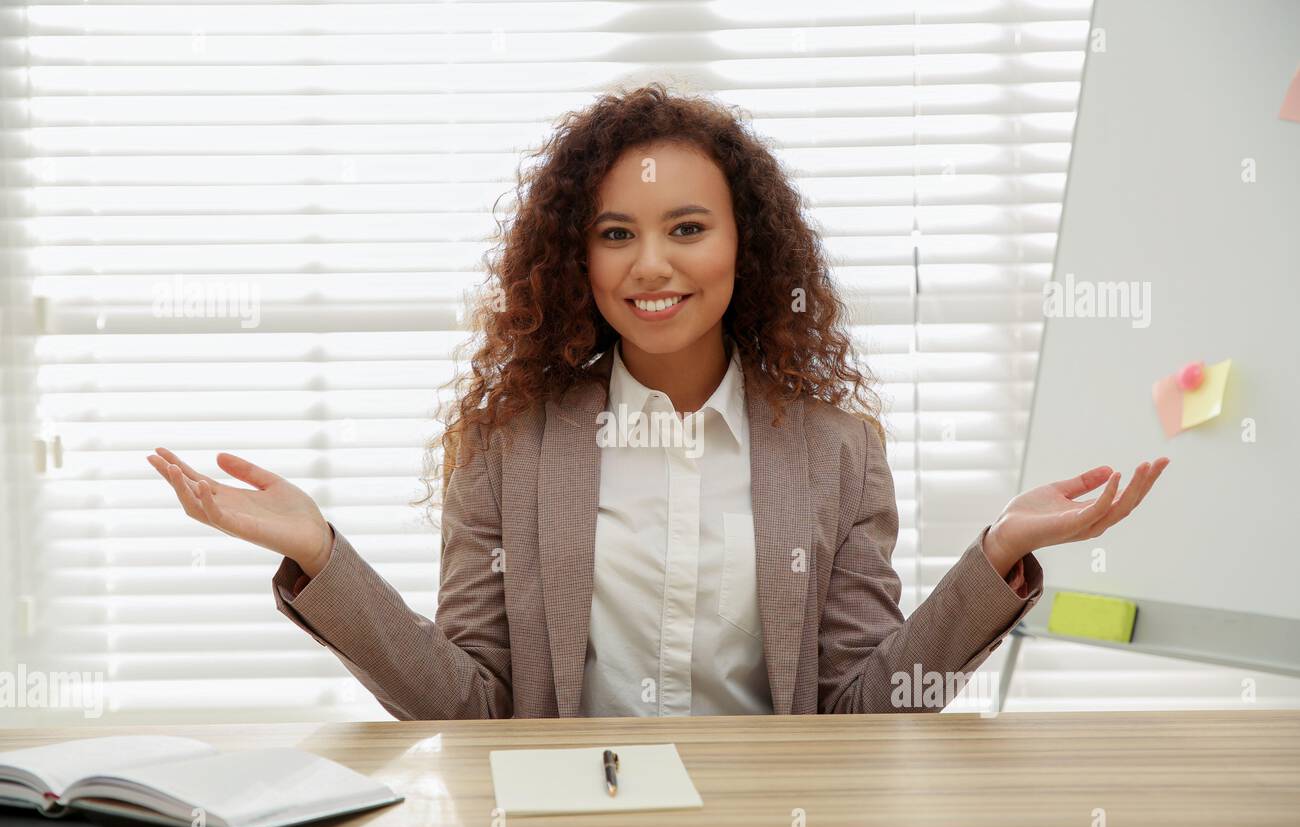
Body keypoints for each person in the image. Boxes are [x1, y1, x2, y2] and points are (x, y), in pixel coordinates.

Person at [146, 83, 1168, 721]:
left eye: (686, 227)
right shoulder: (509, 445)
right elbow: (469, 705)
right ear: (573, 255)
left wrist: (995, 555)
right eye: (614, 233)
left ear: (744, 246)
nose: (651, 265)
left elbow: (865, 703)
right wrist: (324, 554)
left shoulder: (834, 450)